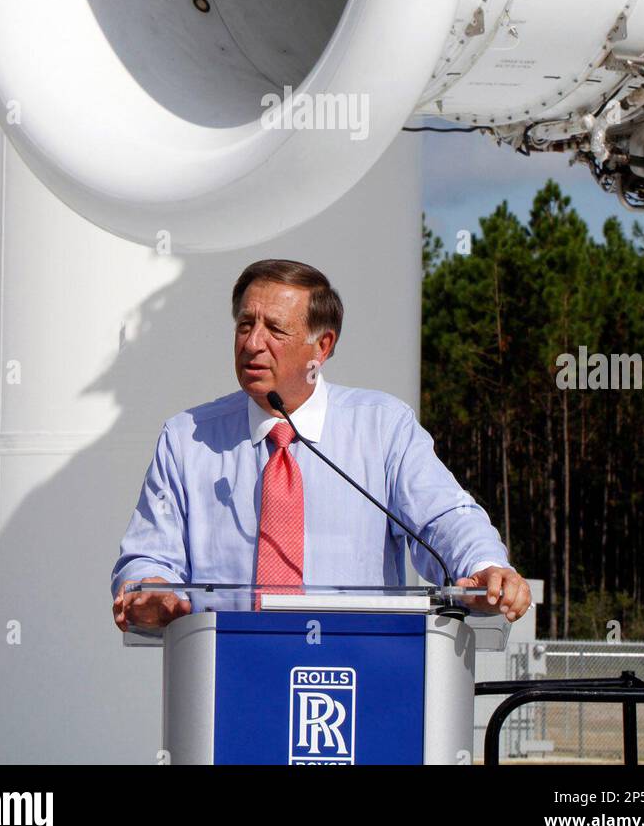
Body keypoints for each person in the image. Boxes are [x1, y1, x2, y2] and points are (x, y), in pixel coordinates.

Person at [111, 259, 532, 632]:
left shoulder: (382, 427)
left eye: (274, 329)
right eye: (245, 324)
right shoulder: (188, 438)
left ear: (322, 346)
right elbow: (149, 557)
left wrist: (484, 568)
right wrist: (151, 590)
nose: (253, 343)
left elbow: (443, 518)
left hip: (353, 678)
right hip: (226, 679)